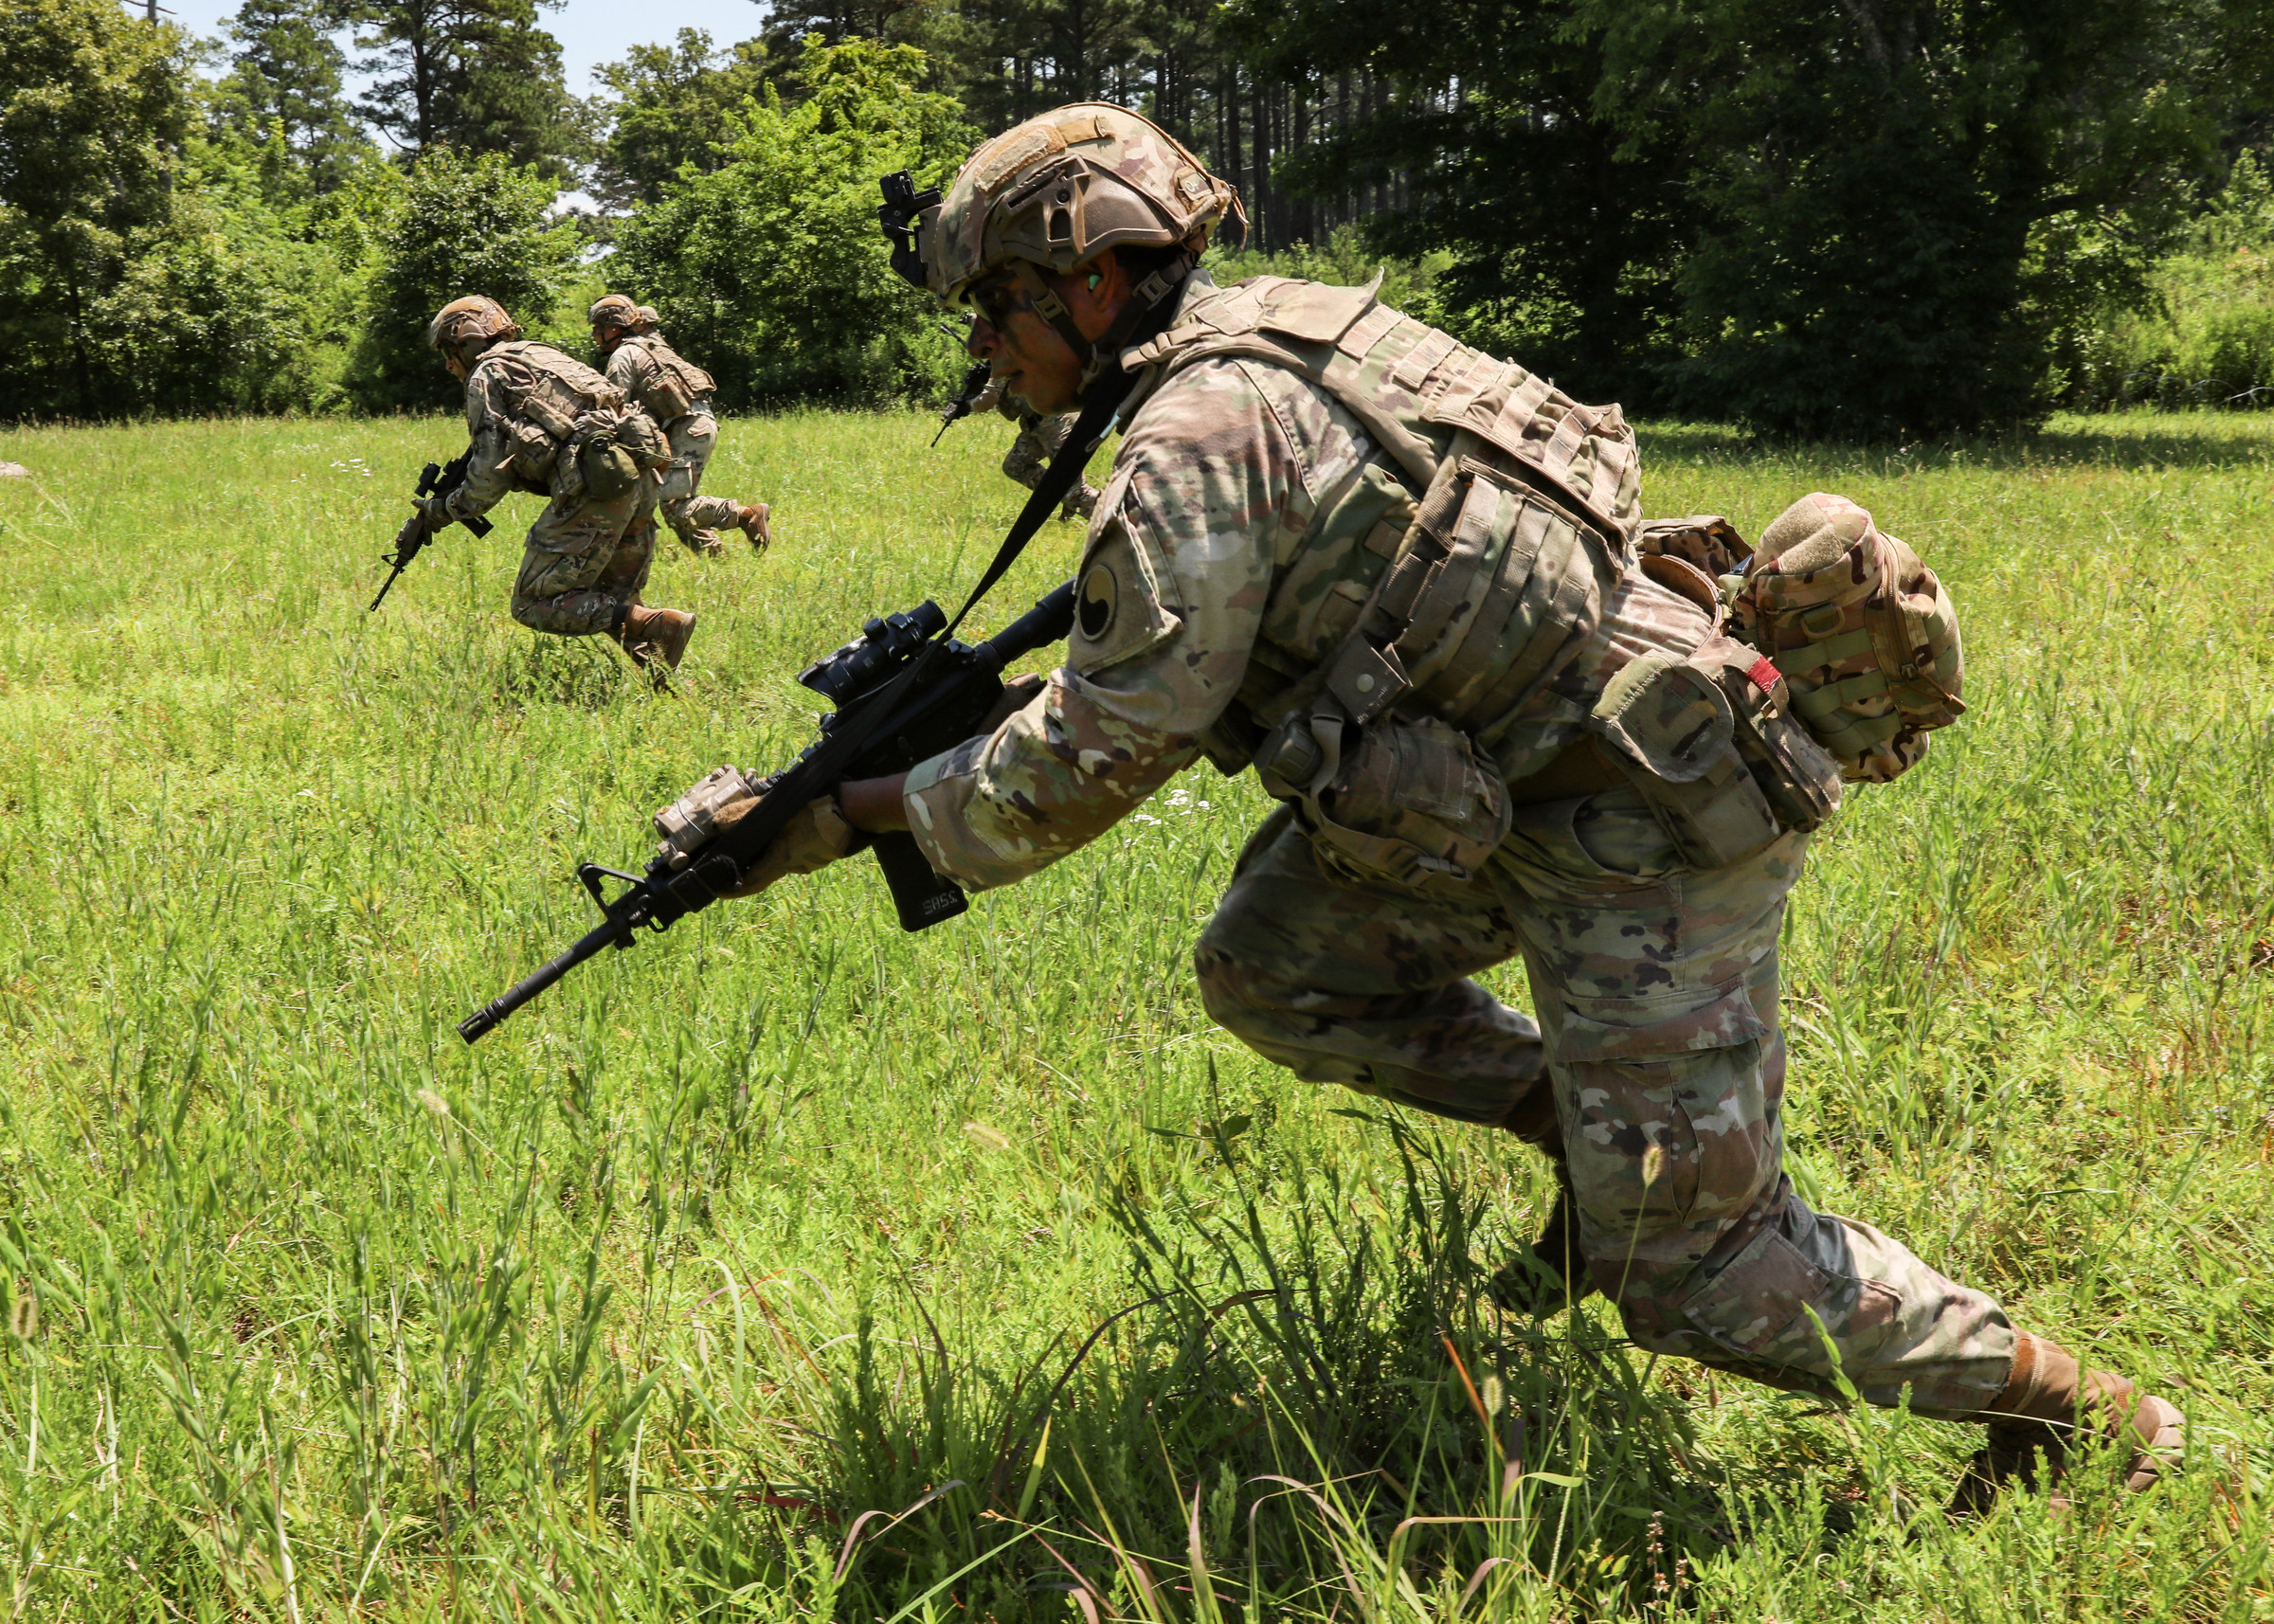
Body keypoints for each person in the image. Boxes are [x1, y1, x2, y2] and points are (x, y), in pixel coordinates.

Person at [715, 105, 2185, 1511]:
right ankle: (1579, 1126)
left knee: (1697, 1271)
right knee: (1275, 959)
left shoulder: (1198, 435)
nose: (983, 344)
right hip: (1507, 776)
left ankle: (2082, 1413)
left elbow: (1096, 754)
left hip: (1650, 823)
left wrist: (852, 812)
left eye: (998, 302)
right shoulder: (1282, 333)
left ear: (1093, 280)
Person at [421, 296, 696, 669]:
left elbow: (485, 481)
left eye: (447, 352)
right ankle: (663, 683)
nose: (449, 364)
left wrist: (440, 510)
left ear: (466, 340)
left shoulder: (486, 376)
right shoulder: (541, 354)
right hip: (640, 475)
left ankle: (661, 624)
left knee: (533, 602)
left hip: (599, 486)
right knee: (612, 597)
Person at [587, 295, 771, 558]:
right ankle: (715, 558)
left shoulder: (622, 356)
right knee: (670, 501)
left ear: (614, 328)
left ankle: (746, 515)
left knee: (675, 506)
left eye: (597, 328)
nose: (594, 335)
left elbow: (614, 408)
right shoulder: (652, 345)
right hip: (694, 424)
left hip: (686, 427)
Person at [971, 375, 1101, 522]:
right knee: (1015, 465)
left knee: (1075, 493)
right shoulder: (999, 367)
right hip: (1037, 426)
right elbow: (1011, 415)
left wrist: (969, 403)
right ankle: (1063, 496)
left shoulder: (1004, 363)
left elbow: (984, 403)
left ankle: (1113, 519)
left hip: (1059, 422)